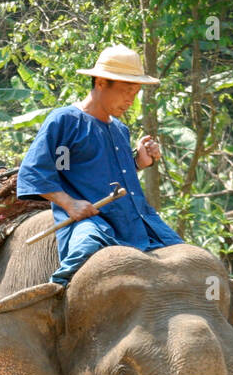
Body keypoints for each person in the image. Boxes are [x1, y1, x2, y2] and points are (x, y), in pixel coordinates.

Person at [17, 44, 183, 286]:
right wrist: (69, 203)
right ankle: (52, 298)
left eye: (135, 92)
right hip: (93, 222)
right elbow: (34, 171)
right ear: (101, 83)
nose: (131, 99)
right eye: (127, 90)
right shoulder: (65, 121)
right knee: (83, 254)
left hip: (137, 220)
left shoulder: (119, 129)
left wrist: (138, 162)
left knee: (190, 260)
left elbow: (105, 174)